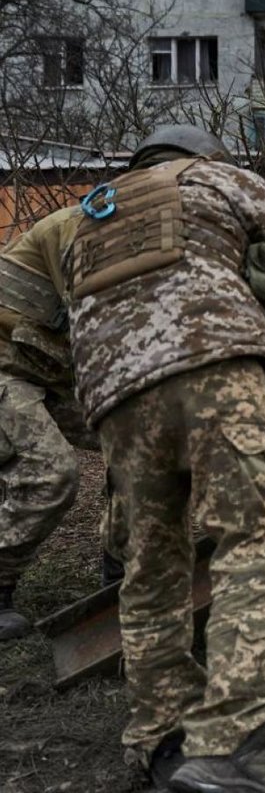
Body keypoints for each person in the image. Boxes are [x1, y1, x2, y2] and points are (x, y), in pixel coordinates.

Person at [65, 125, 265, 791]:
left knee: (149, 568)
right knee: (252, 536)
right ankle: (228, 745)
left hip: (116, 399)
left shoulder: (90, 217)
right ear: (202, 154)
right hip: (214, 366)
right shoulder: (214, 177)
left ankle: (163, 746)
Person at [0, 205, 93, 641]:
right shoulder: (77, 227)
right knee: (51, 472)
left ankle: (123, 562)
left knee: (138, 437)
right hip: (6, 364)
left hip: (46, 369)